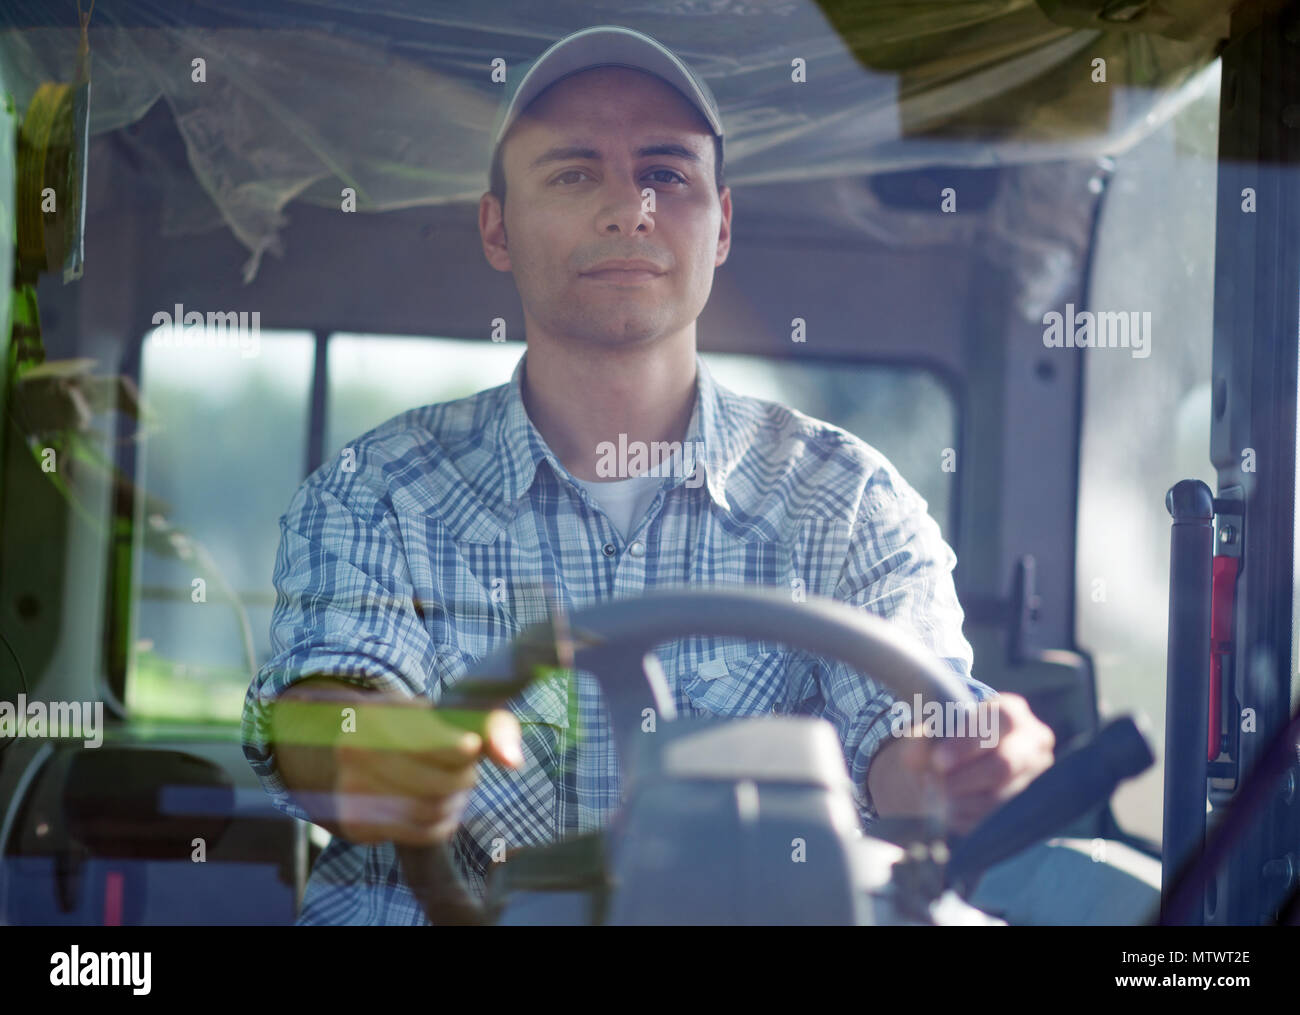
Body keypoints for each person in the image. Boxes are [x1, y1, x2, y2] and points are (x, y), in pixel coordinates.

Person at [241, 24, 1055, 925]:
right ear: (496, 226)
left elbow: (911, 751)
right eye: (574, 172)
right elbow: (320, 714)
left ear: (724, 224)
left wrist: (964, 763)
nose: (630, 208)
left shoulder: (851, 500)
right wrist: (383, 750)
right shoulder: (376, 489)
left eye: (666, 173)